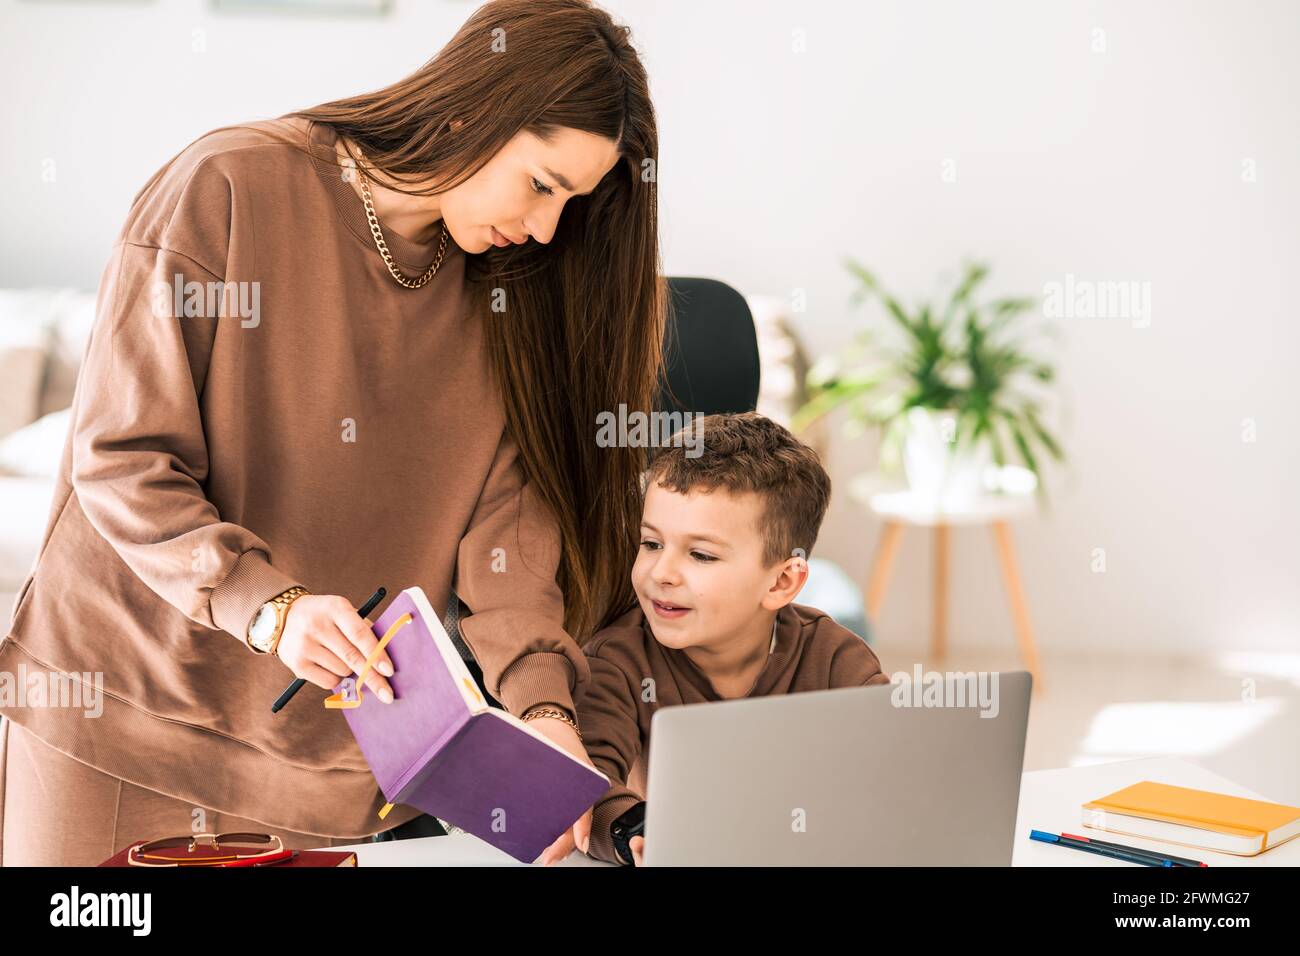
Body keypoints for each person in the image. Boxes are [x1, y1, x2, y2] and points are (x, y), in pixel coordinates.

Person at [0, 0, 664, 866]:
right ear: (473, 109)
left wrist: (544, 714)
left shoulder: (514, 296)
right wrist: (270, 608)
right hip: (119, 714)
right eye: (542, 183)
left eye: (570, 203)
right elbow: (121, 457)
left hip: (327, 766)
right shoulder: (228, 184)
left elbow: (512, 546)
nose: (545, 226)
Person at [540, 413, 890, 866]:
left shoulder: (836, 657)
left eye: (701, 555)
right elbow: (587, 787)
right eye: (650, 544)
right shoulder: (618, 660)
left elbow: (892, 765)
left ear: (782, 582)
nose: (661, 573)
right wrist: (637, 832)